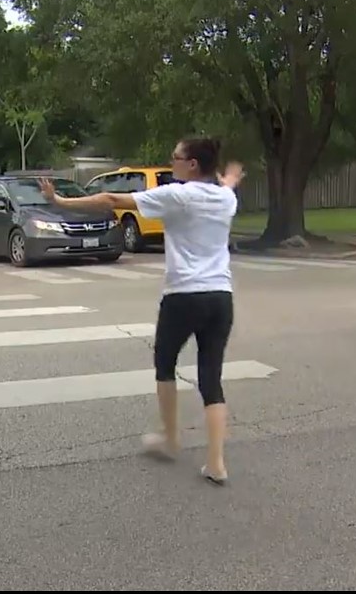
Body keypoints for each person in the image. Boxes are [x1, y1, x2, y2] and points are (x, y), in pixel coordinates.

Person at [37, 136, 244, 486]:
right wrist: (232, 180)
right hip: (220, 297)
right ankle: (216, 463)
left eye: (175, 157)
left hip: (184, 296)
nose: (171, 162)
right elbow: (225, 187)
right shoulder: (225, 198)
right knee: (211, 378)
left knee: (165, 363)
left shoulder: (176, 195)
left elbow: (110, 199)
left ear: (192, 164)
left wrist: (59, 200)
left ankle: (170, 437)